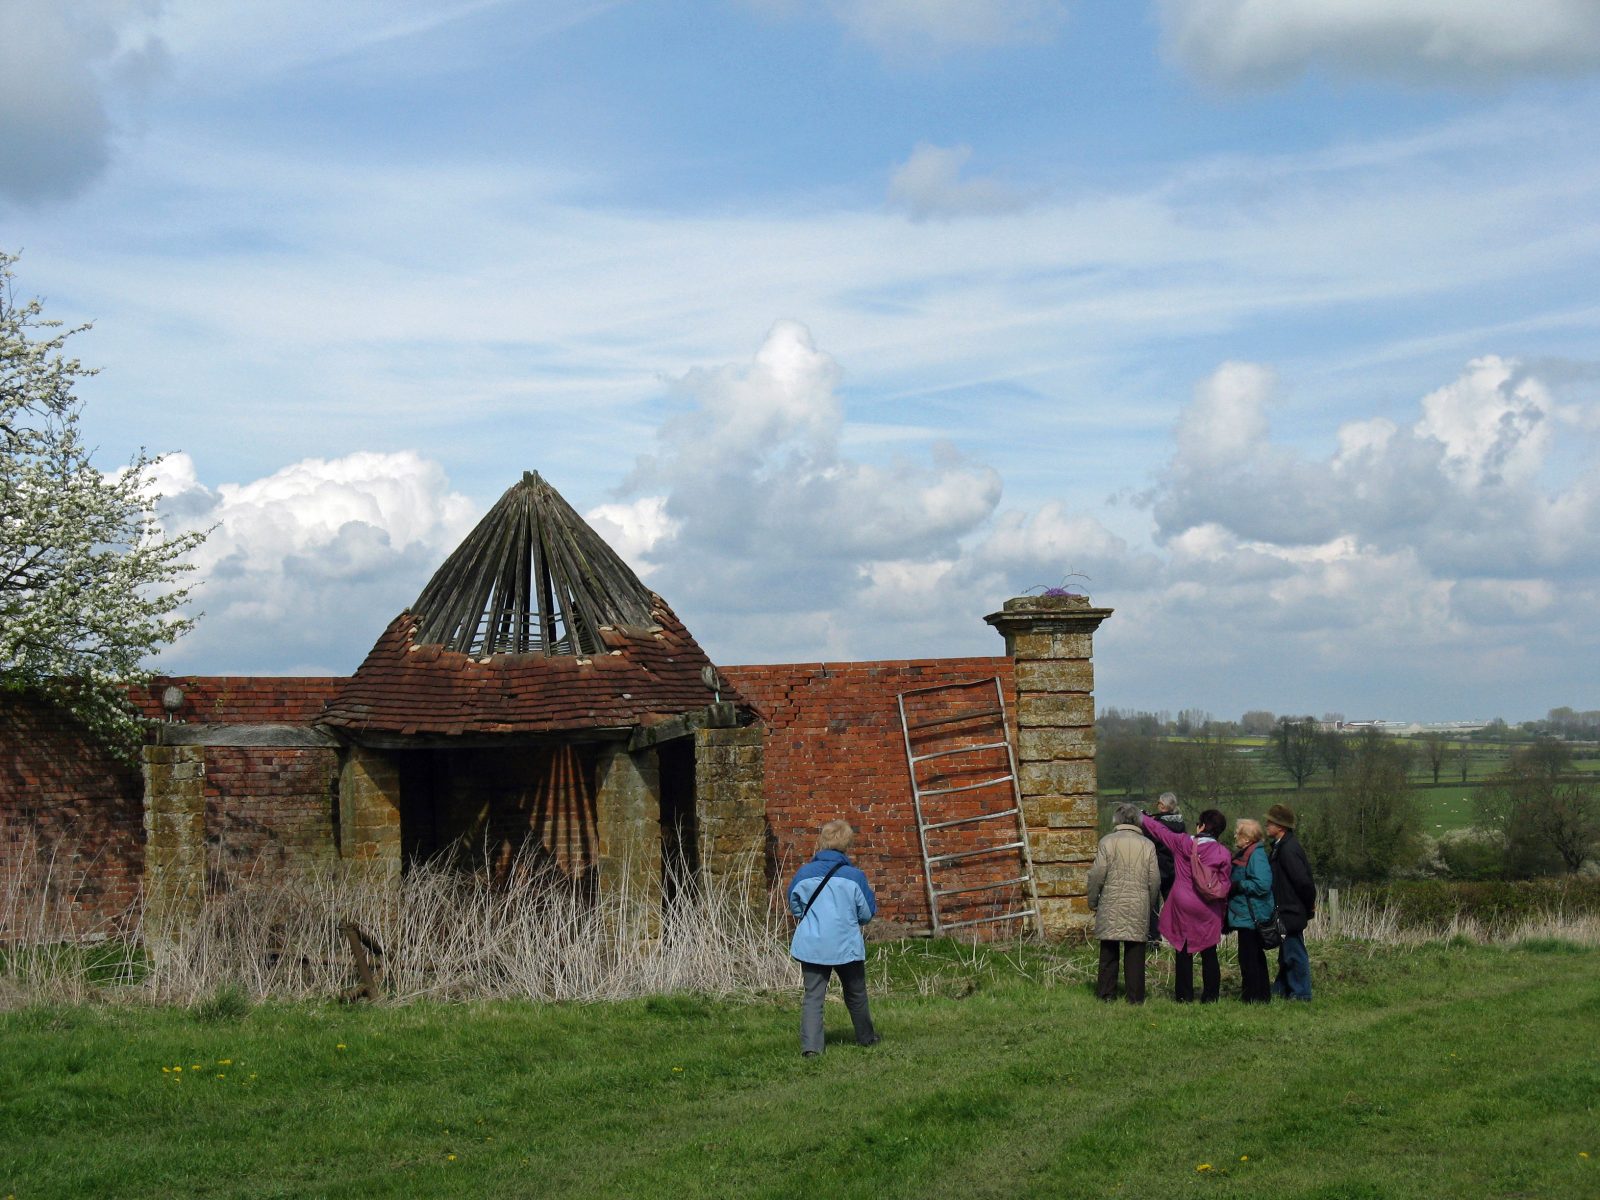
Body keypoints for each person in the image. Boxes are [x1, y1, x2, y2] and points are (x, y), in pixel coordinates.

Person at [787, 819, 880, 1056]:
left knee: (813, 997)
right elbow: (867, 913)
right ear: (846, 844)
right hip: (845, 945)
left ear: (822, 841)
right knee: (856, 993)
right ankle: (866, 1039)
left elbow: (795, 905)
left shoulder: (803, 873)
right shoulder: (855, 876)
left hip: (813, 945)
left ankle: (811, 1049)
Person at [1141, 807, 1232, 1002]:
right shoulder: (1223, 853)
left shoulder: (1183, 843)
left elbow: (1160, 832)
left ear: (1202, 826)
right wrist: (1223, 914)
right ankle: (1210, 997)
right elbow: (1225, 886)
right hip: (1208, 907)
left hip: (1183, 903)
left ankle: (1184, 996)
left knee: (1182, 949)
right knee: (1209, 952)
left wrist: (1140, 817)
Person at [1087, 803, 1160, 1004]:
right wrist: (1150, 904)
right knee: (1135, 953)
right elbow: (1154, 880)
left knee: (1109, 951)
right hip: (1138, 904)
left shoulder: (1107, 842)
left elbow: (1096, 875)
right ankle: (1135, 998)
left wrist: (1092, 900)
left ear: (1116, 820)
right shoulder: (1147, 845)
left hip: (1111, 902)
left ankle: (1106, 994)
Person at [1265, 804, 1316, 1001]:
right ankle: (1281, 989)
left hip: (1291, 909)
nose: (1267, 825)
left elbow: (1303, 882)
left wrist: (1308, 904)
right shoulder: (1283, 846)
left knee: (1294, 952)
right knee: (1287, 952)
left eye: (1271, 822)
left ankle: (1302, 993)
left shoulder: (1287, 850)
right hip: (1289, 907)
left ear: (1281, 826)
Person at [1226, 818, 1274, 1004]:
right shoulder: (1251, 852)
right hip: (1248, 913)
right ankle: (1260, 995)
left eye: (1238, 833)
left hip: (1252, 914)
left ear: (1247, 838)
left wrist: (1239, 885)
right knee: (1252, 955)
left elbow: (1263, 884)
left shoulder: (1256, 855)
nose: (1235, 837)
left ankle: (1252, 996)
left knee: (1249, 957)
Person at [1144, 792, 1186, 943]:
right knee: (1174, 905)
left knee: (1153, 906)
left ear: (1162, 806)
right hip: (1174, 869)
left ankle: (1154, 939)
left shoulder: (1156, 825)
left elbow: (1147, 842)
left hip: (1157, 868)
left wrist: (1147, 822)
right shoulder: (1180, 824)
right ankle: (1180, 938)